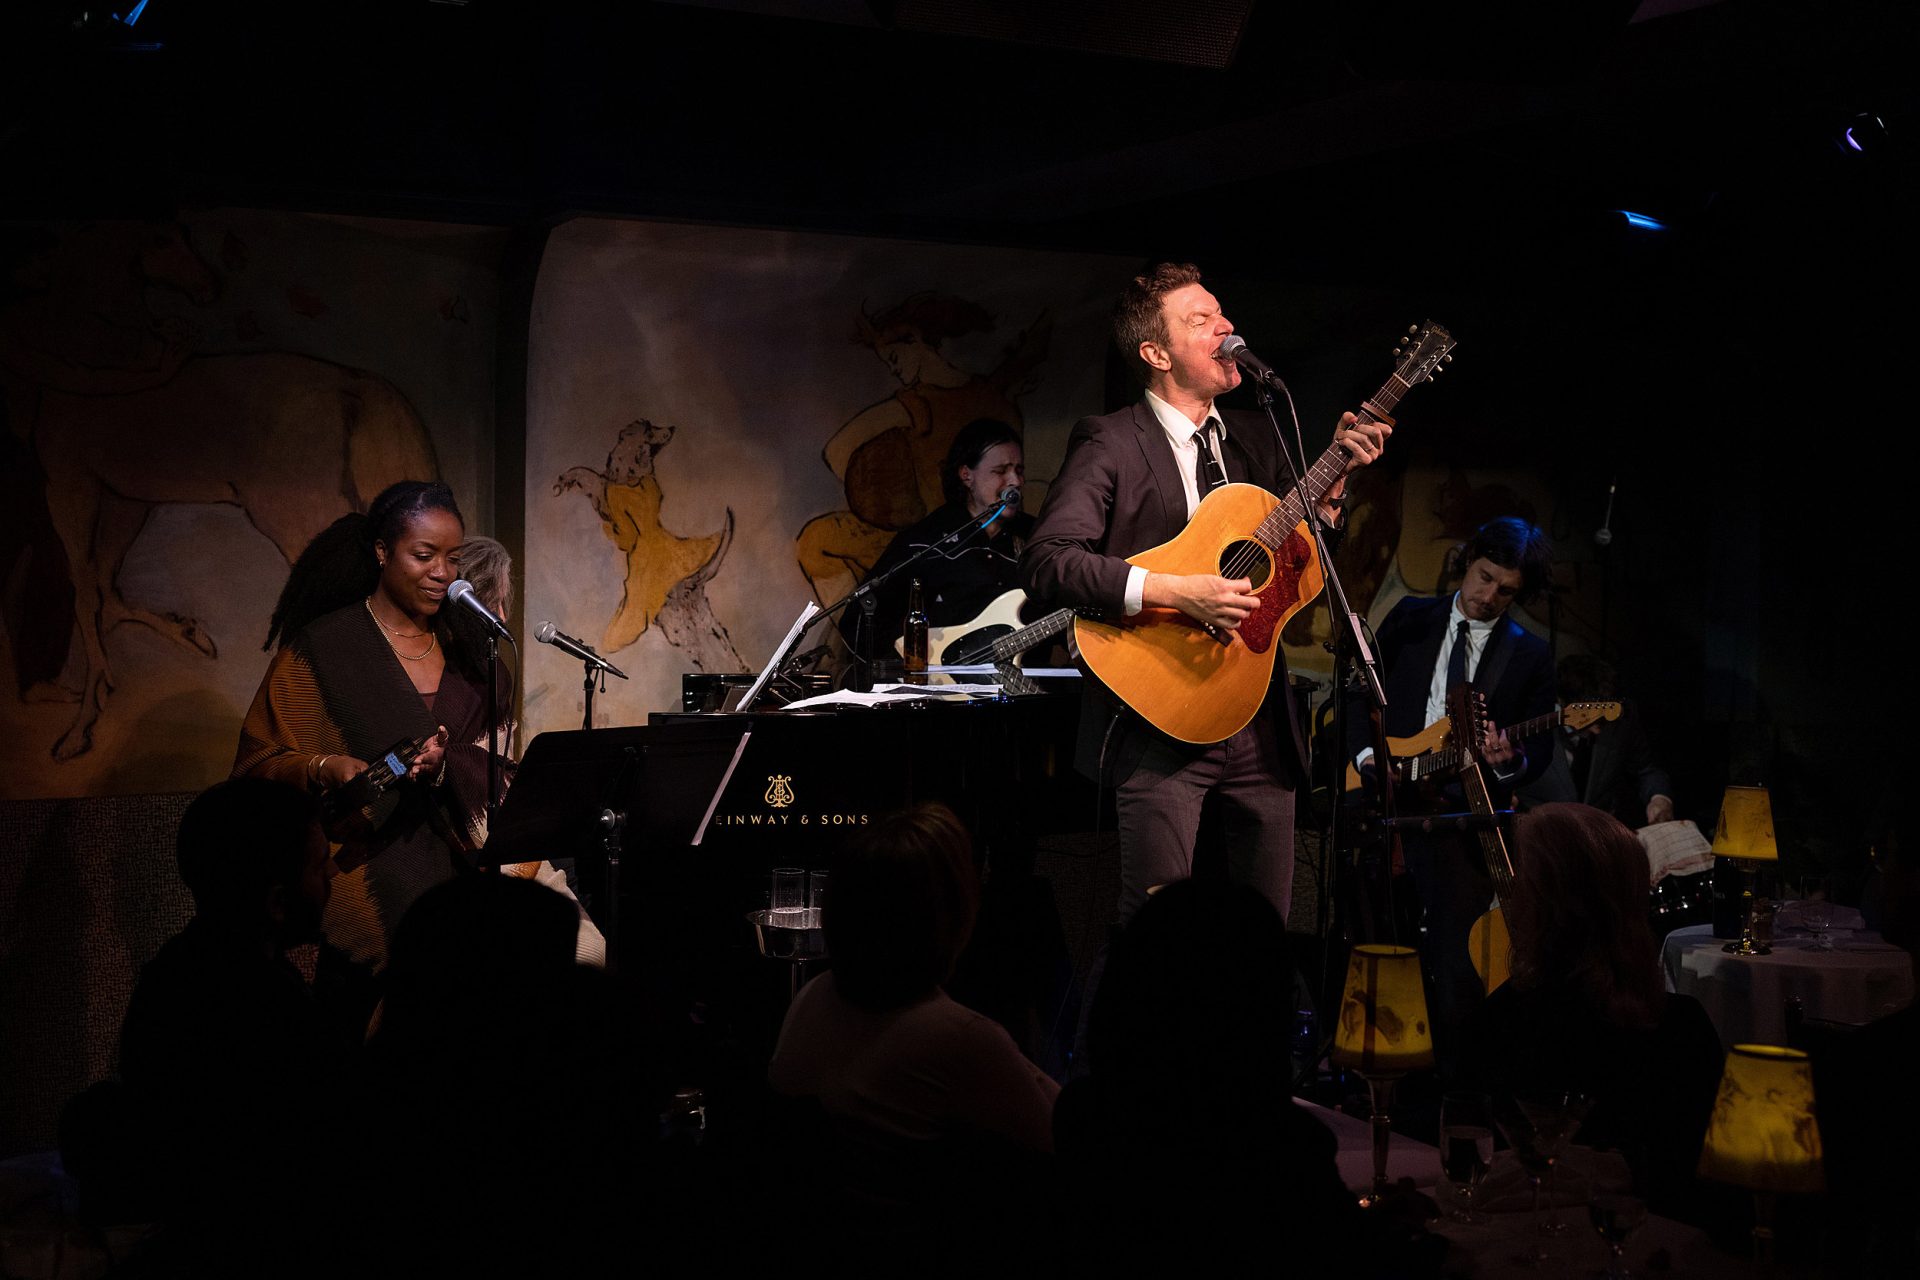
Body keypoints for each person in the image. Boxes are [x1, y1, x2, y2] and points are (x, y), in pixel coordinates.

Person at [1019, 262, 1388, 925]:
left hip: (1259, 718)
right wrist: (1171, 590)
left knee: (1267, 924)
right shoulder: (1110, 442)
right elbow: (1048, 562)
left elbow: (1297, 568)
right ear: (1156, 354)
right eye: (1201, 321)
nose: (1226, 329)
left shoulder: (1257, 437)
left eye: (1223, 315)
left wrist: (1329, 498)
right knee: (1151, 925)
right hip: (1160, 718)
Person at [234, 480, 586, 975]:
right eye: (424, 555)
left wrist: (450, 767)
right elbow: (256, 767)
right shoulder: (325, 648)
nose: (442, 573)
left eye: (453, 558)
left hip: (469, 866)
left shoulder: (472, 655)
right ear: (382, 551)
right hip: (366, 870)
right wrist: (323, 765)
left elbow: (502, 771)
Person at [111, 778, 345, 1271]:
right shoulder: (267, 1012)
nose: (333, 876)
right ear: (277, 902)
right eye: (320, 864)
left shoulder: (175, 969)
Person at [1347, 516, 1558, 1058]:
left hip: (1459, 820)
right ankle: (1370, 1056)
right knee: (1373, 942)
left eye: (1506, 591)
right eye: (1484, 577)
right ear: (1468, 562)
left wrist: (1509, 760)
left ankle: (1449, 1079)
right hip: (1386, 801)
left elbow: (1537, 757)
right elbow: (1359, 695)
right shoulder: (1411, 618)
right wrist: (1371, 758)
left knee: (1452, 959)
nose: (1489, 597)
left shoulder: (1529, 654)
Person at [1464, 803, 1724, 1222]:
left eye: (1523, 881)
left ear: (1545, 905)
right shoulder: (1682, 1028)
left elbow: (1470, 1171)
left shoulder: (1501, 1023)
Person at [837, 416, 1033, 661]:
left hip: (1021, 687)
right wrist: (907, 670)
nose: (1015, 481)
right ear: (966, 475)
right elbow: (860, 617)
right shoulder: (926, 539)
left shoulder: (1037, 537)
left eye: (1019, 470)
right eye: (1000, 471)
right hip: (941, 691)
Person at [1520, 653, 1675, 827]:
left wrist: (1660, 798)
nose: (1597, 729)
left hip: (1599, 833)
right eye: (1588, 718)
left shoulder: (1622, 717)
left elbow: (1646, 769)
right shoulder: (1528, 719)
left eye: (1602, 719)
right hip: (1541, 833)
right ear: (1562, 701)